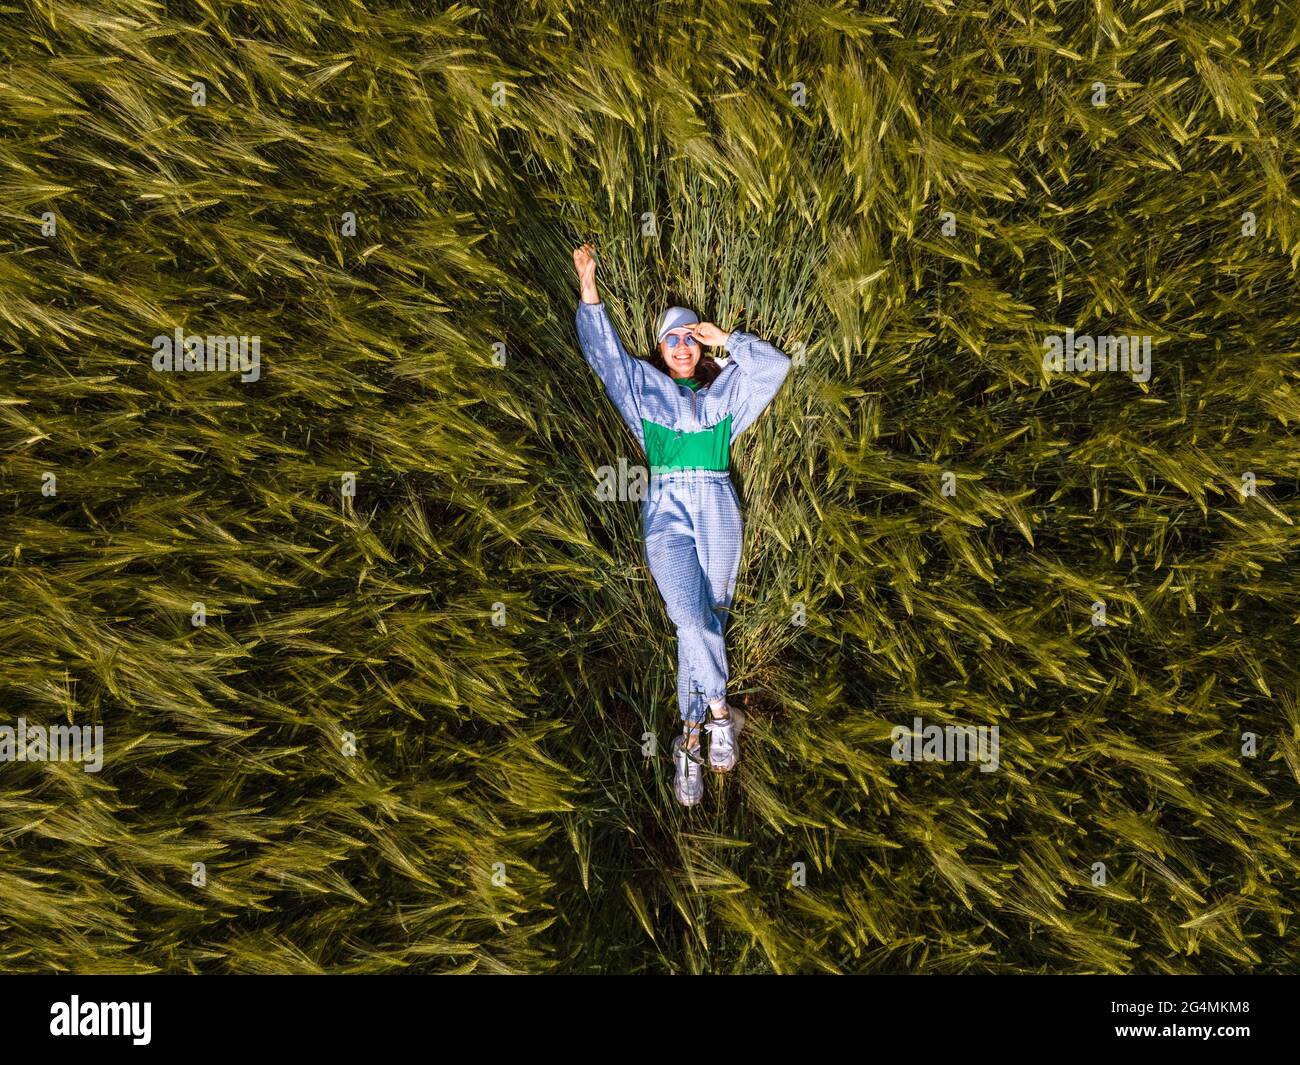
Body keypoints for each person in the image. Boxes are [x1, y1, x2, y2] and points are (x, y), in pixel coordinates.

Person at [573, 243, 792, 806]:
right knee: (688, 617)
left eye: (690, 337)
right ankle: (721, 713)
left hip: (717, 502)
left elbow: (775, 367)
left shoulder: (727, 394)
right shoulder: (643, 390)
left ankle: (690, 745)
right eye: (671, 338)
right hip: (666, 508)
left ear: (701, 344)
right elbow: (604, 356)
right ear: (659, 348)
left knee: (704, 621)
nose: (681, 347)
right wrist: (588, 285)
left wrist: (725, 340)